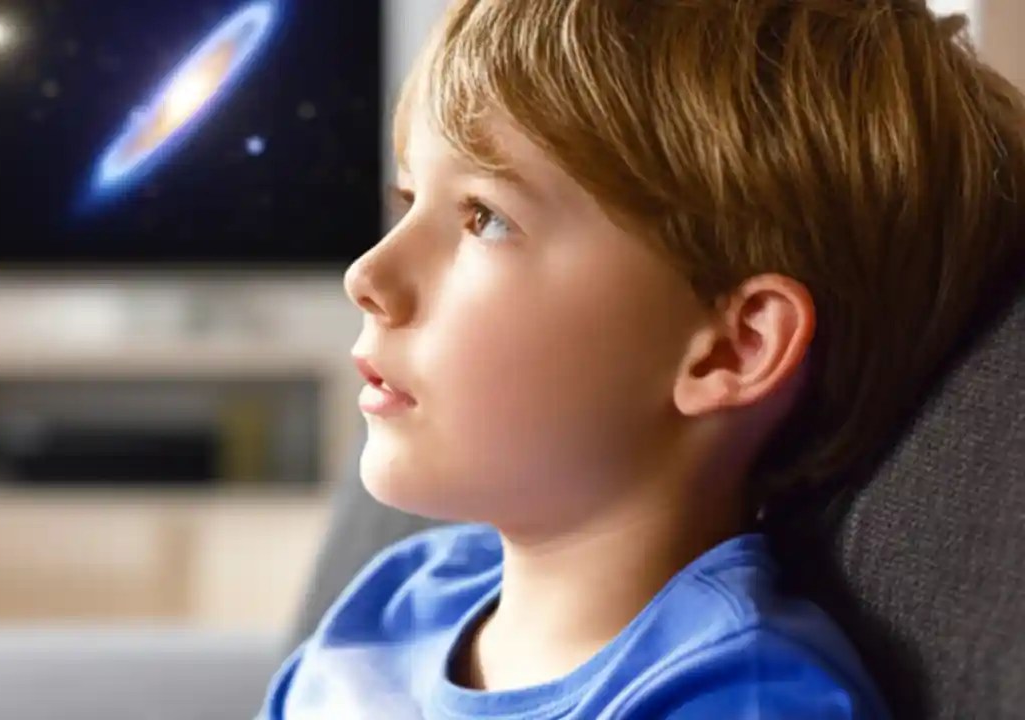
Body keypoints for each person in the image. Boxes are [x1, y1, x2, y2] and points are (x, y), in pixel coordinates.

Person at [261, 1, 1025, 717]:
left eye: (485, 219)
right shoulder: (395, 605)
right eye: (407, 199)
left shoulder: (736, 696)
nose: (367, 277)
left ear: (733, 348)